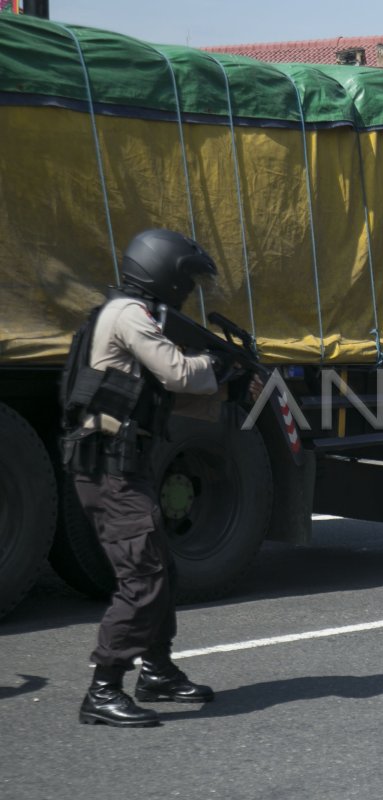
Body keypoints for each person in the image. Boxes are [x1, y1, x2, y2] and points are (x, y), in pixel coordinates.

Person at [60, 229, 233, 727]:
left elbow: (156, 390)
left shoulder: (126, 312)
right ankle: (103, 688)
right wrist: (218, 366)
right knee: (144, 577)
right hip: (108, 469)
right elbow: (178, 372)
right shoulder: (129, 315)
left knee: (160, 570)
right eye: (187, 282)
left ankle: (156, 671)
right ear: (164, 274)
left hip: (119, 466)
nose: (189, 293)